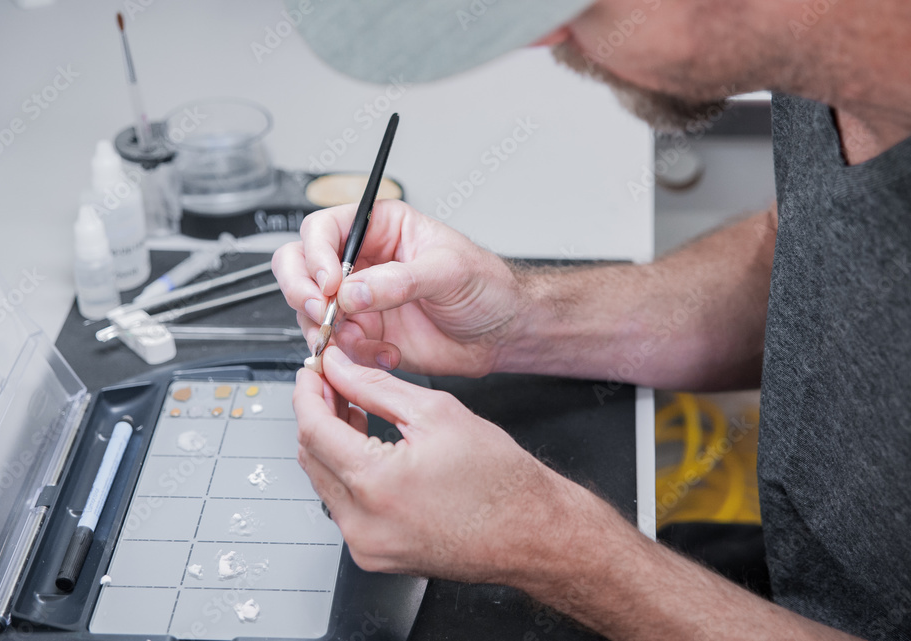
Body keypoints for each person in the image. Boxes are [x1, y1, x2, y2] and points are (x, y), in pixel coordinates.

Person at [272, 1, 911, 639]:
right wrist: (521, 319)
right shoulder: (829, 59)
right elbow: (806, 250)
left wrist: (547, 540)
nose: (541, 38)